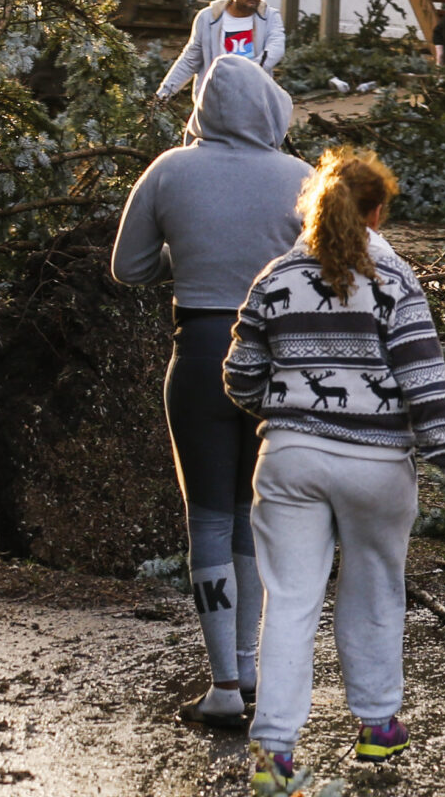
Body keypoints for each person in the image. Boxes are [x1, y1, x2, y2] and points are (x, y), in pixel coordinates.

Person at [225, 148, 445, 782]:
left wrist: (287, 408)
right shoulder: (395, 284)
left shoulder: (274, 279)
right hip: (377, 467)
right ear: (378, 212)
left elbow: (238, 377)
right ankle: (376, 727)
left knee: (287, 601)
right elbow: (425, 384)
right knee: (372, 593)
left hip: (290, 460)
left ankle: (274, 749)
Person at [109, 55, 316, 730]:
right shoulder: (300, 179)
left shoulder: (168, 171)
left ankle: (223, 685)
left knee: (208, 520)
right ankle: (254, 671)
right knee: (255, 516)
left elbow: (128, 266)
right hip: (277, 364)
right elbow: (329, 271)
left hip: (198, 353)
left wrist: (188, 250)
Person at [157, 0, 288, 101]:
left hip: (255, 98)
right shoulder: (208, 17)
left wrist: (249, 73)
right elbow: (189, 60)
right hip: (213, 100)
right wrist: (162, 96)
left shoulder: (270, 17)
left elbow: (275, 48)